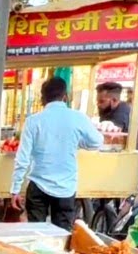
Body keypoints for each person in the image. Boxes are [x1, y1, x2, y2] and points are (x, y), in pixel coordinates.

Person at [8, 77, 104, 230]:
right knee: (62, 235)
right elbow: (97, 142)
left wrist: (15, 190)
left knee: (36, 233)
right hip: (66, 187)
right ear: (65, 96)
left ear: (43, 98)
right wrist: (78, 142)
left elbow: (23, 158)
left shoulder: (33, 121)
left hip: (38, 185)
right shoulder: (78, 118)